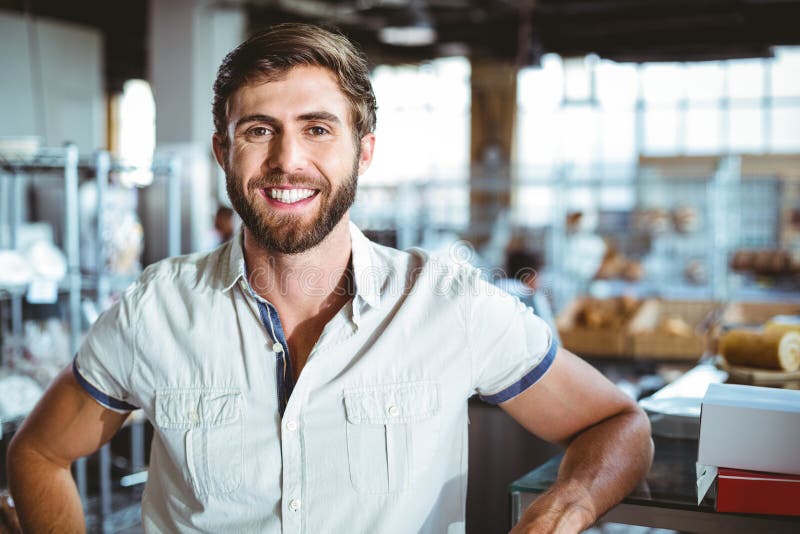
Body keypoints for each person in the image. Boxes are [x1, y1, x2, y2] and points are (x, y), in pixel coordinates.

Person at [7, 23, 652, 533]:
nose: (288, 161)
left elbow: (619, 424)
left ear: (363, 150)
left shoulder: (450, 305)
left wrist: (564, 508)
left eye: (318, 129)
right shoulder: (157, 310)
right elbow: (36, 455)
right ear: (222, 151)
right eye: (259, 131)